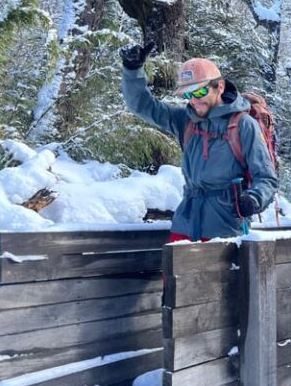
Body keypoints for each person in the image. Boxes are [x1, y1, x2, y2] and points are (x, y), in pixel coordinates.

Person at [119, 42, 278, 242]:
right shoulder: (186, 121)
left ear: (219, 87)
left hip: (224, 228)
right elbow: (143, 106)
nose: (194, 100)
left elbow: (266, 177)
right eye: (188, 94)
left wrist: (254, 199)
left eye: (200, 92)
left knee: (210, 274)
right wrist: (133, 71)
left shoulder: (243, 125)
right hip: (185, 224)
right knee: (175, 273)